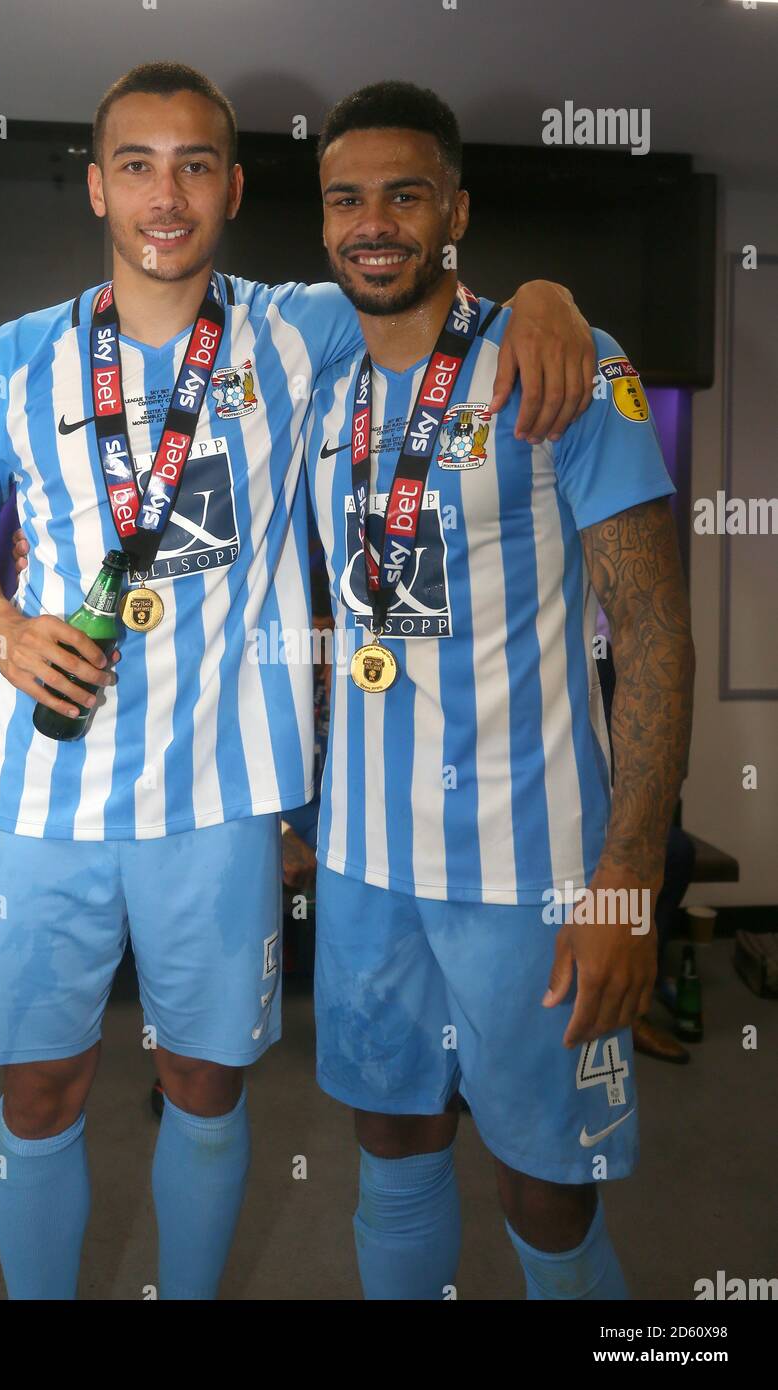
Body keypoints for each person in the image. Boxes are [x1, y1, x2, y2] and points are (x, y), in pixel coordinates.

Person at [0, 60, 597, 1301]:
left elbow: (444, 290)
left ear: (232, 187)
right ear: (96, 187)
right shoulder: (8, 362)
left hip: (225, 805)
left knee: (206, 1082)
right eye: (136, 165)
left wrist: (550, 295)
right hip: (47, 796)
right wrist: (5, 628)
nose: (163, 196)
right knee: (40, 1085)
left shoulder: (299, 328)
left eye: (192, 166)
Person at [304, 81, 695, 1299]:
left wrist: (628, 884)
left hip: (537, 871)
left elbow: (654, 631)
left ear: (455, 209)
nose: (375, 223)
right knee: (393, 1152)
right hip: (366, 865)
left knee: (548, 1184)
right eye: (347, 198)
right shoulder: (312, 369)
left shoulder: (566, 365)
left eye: (405, 194)